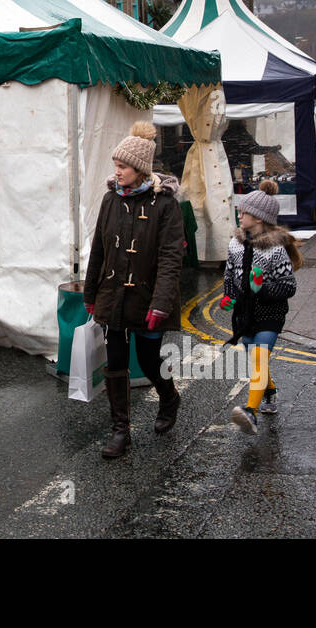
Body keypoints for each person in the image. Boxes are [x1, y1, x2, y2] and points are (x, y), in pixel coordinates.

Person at [83, 121, 186, 457]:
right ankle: (120, 432)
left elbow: (171, 259)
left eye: (123, 166)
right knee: (115, 360)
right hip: (113, 296)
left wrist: (160, 303)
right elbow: (98, 248)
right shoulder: (111, 199)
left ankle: (169, 397)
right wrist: (89, 294)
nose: (117, 171)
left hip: (148, 298)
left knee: (147, 357)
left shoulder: (165, 205)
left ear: (140, 169)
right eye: (116, 165)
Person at [223, 180, 302, 434]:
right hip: (245, 315)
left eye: (244, 212)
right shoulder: (234, 244)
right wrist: (229, 297)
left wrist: (263, 289)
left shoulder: (275, 250)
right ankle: (269, 389)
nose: (240, 214)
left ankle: (251, 412)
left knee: (259, 356)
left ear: (257, 218)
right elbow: (229, 276)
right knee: (255, 356)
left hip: (270, 313)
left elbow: (289, 286)